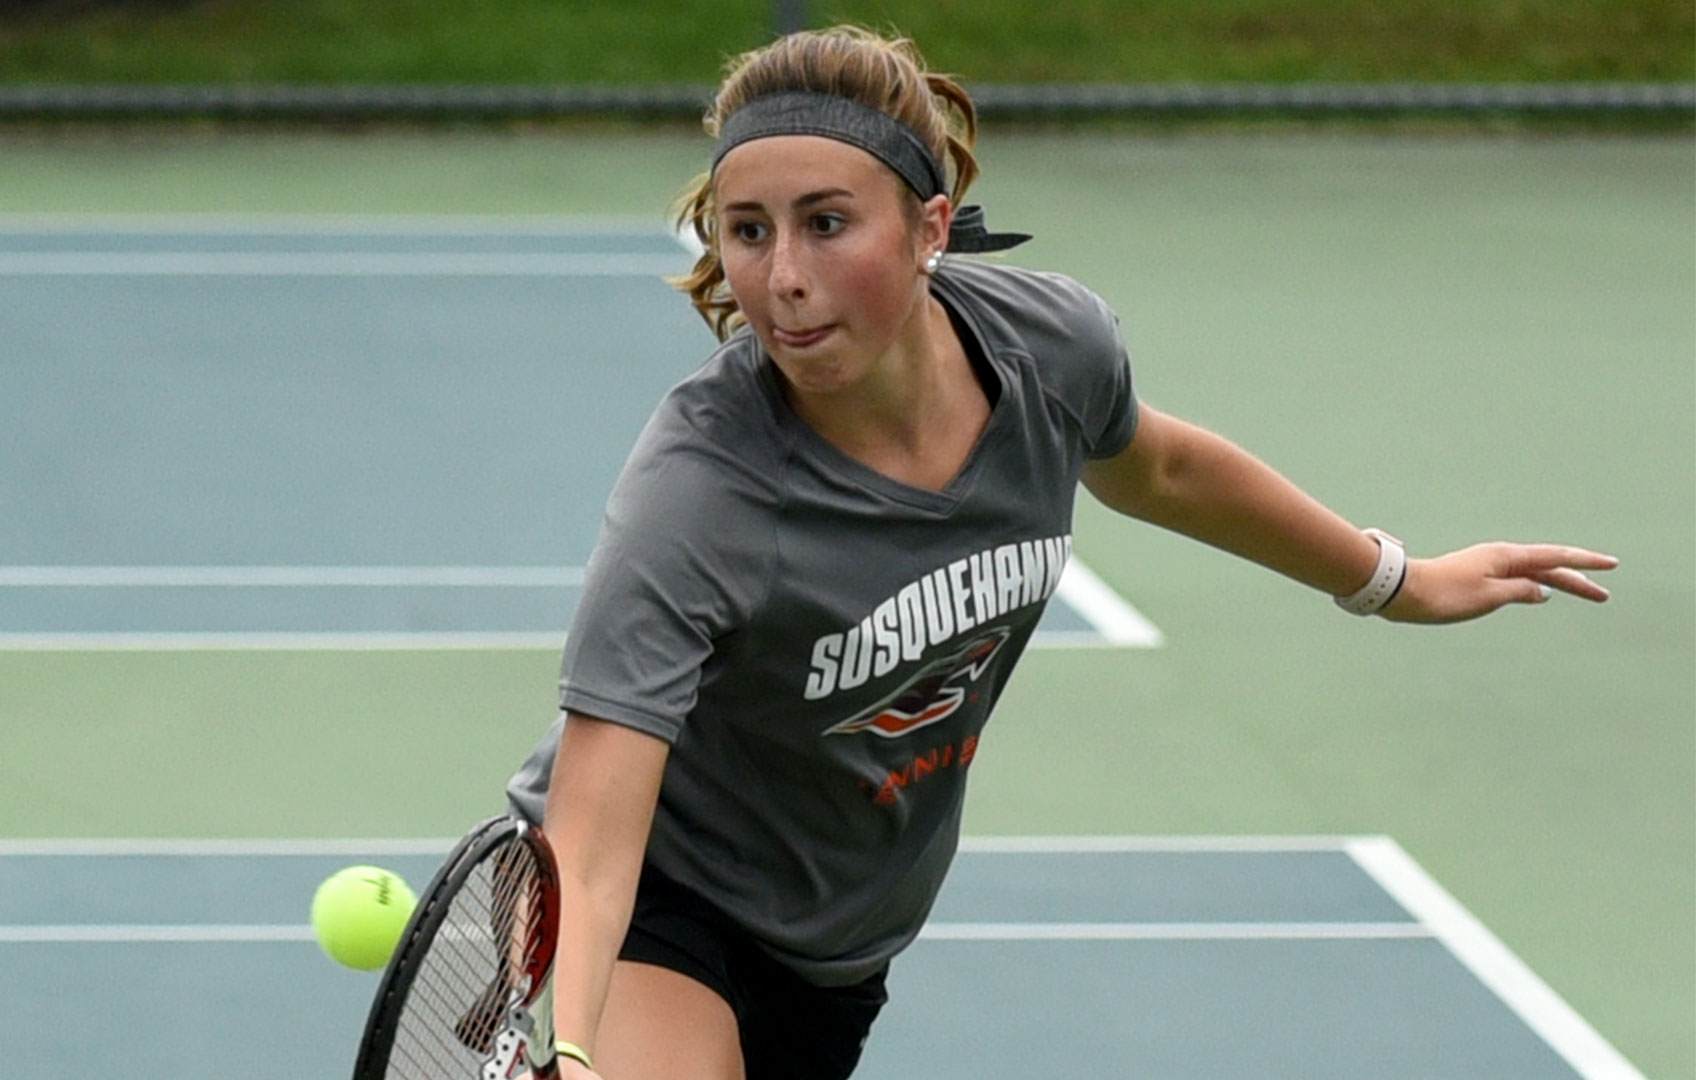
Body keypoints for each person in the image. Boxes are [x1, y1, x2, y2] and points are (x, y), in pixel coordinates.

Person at [504, 25, 1616, 1080]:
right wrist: (577, 1046)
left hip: (839, 929)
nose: (782, 276)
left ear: (931, 229)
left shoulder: (1047, 350)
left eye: (827, 223)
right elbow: (597, 841)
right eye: (748, 231)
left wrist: (1394, 580)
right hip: (662, 898)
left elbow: (1164, 469)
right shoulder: (700, 494)